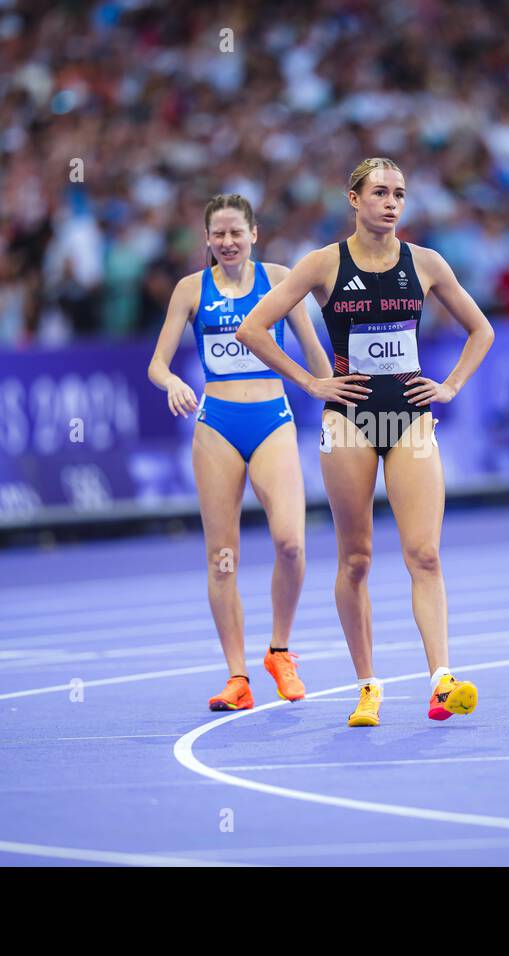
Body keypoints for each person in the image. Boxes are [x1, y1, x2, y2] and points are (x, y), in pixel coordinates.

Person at [237, 157, 494, 727]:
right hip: (348, 420)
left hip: (410, 418)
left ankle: (441, 680)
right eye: (380, 192)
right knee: (356, 559)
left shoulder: (425, 263)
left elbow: (483, 329)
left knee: (424, 553)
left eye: (400, 193)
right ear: (354, 199)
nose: (392, 202)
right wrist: (310, 379)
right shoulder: (323, 264)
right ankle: (368, 685)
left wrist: (450, 385)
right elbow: (252, 328)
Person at [147, 194, 332, 712]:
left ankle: (279, 651)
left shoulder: (278, 278)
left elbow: (314, 352)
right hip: (217, 426)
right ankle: (237, 677)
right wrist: (173, 383)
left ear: (253, 234)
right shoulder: (190, 290)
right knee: (223, 559)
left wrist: (335, 395)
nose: (227, 242)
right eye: (218, 234)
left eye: (236, 233)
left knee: (291, 544)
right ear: (207, 240)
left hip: (271, 420)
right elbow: (156, 364)